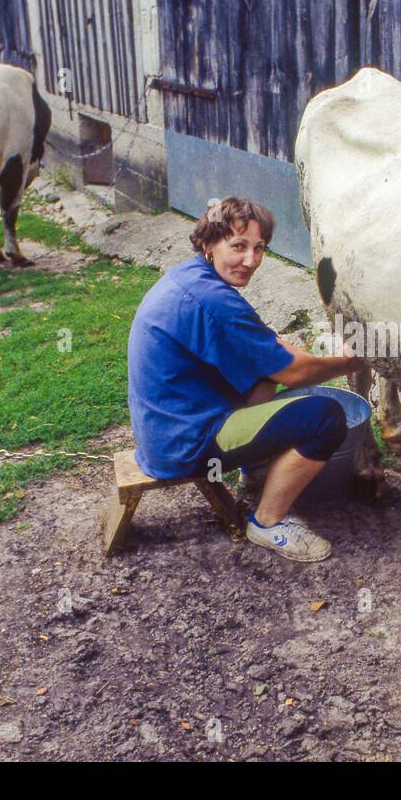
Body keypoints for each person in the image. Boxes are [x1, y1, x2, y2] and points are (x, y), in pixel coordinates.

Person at [127, 196, 368, 562]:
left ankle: (254, 472)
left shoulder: (191, 278)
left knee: (263, 375)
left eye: (260, 248)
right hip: (184, 444)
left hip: (165, 427)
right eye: (238, 246)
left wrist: (302, 355)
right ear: (209, 243)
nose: (251, 260)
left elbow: (266, 347)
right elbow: (295, 371)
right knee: (325, 417)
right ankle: (268, 523)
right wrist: (354, 361)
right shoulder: (216, 302)